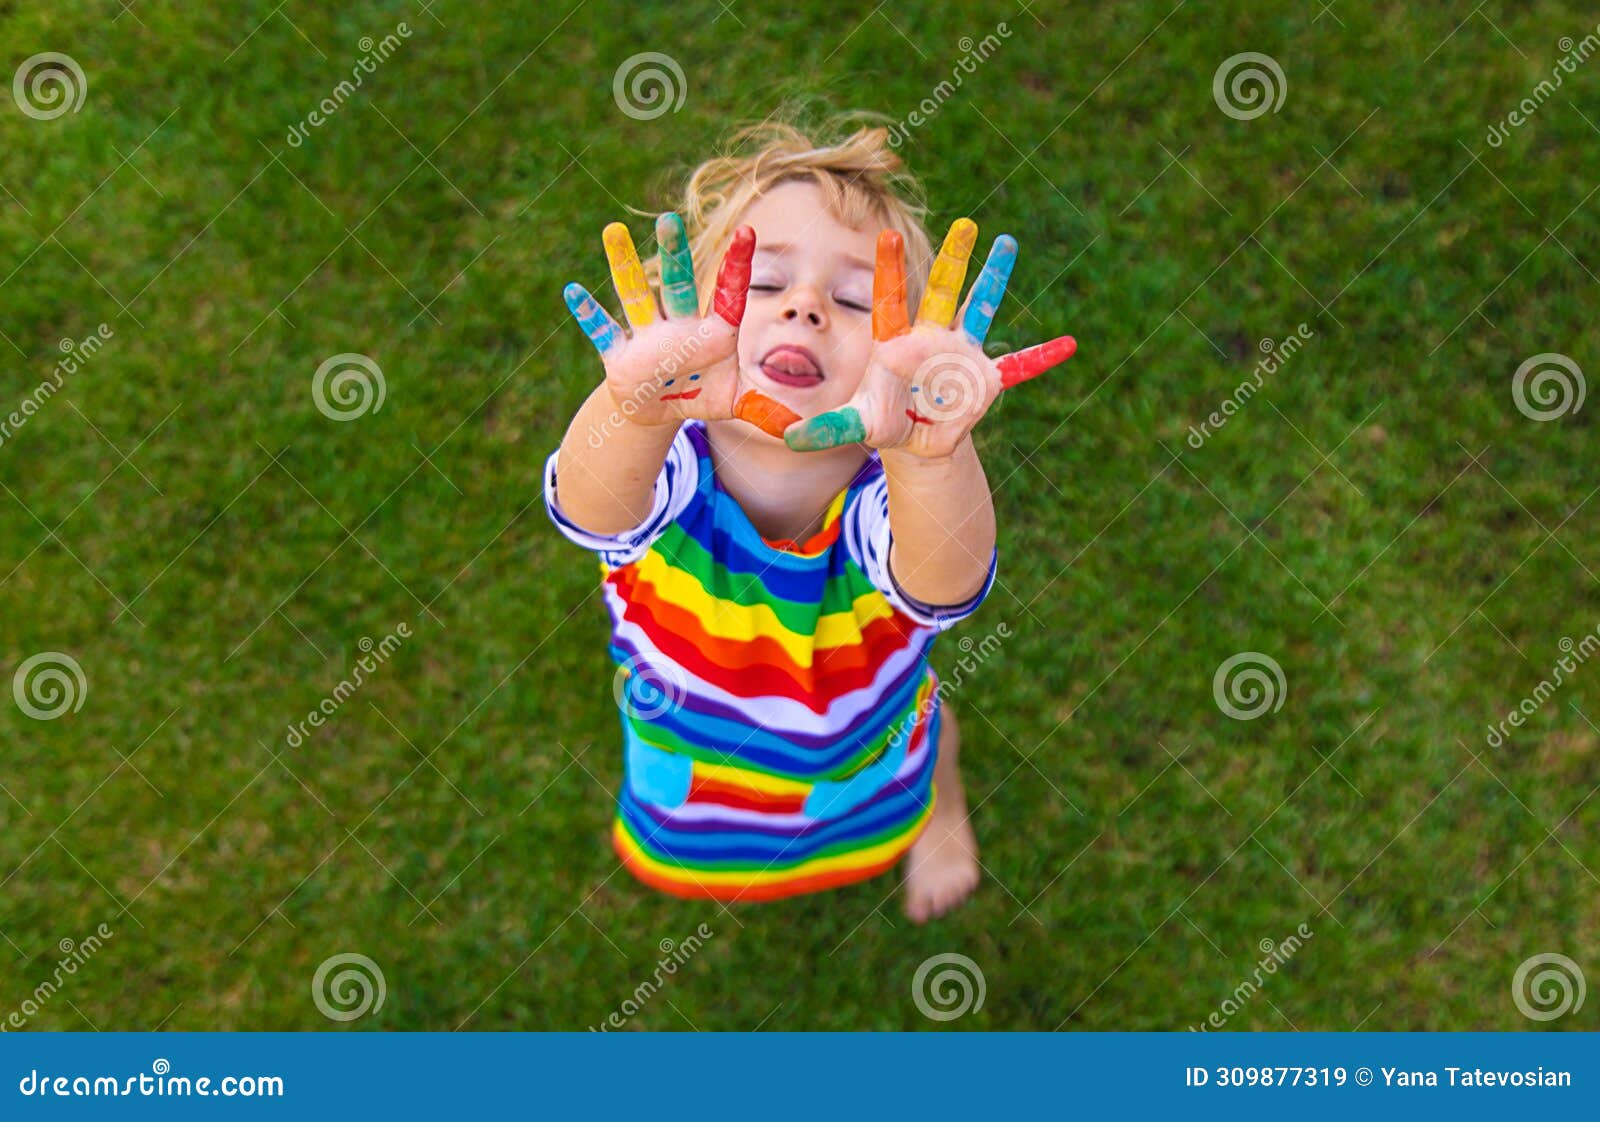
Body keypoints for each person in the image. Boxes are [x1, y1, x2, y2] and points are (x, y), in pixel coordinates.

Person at [544, 117, 1074, 921]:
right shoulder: (666, 467)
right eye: (760, 283)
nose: (804, 307)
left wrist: (930, 456)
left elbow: (945, 580)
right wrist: (637, 410)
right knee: (714, 840)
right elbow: (588, 508)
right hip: (696, 769)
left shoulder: (883, 501)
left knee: (931, 734)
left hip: (871, 747)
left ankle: (940, 812)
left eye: (859, 298)